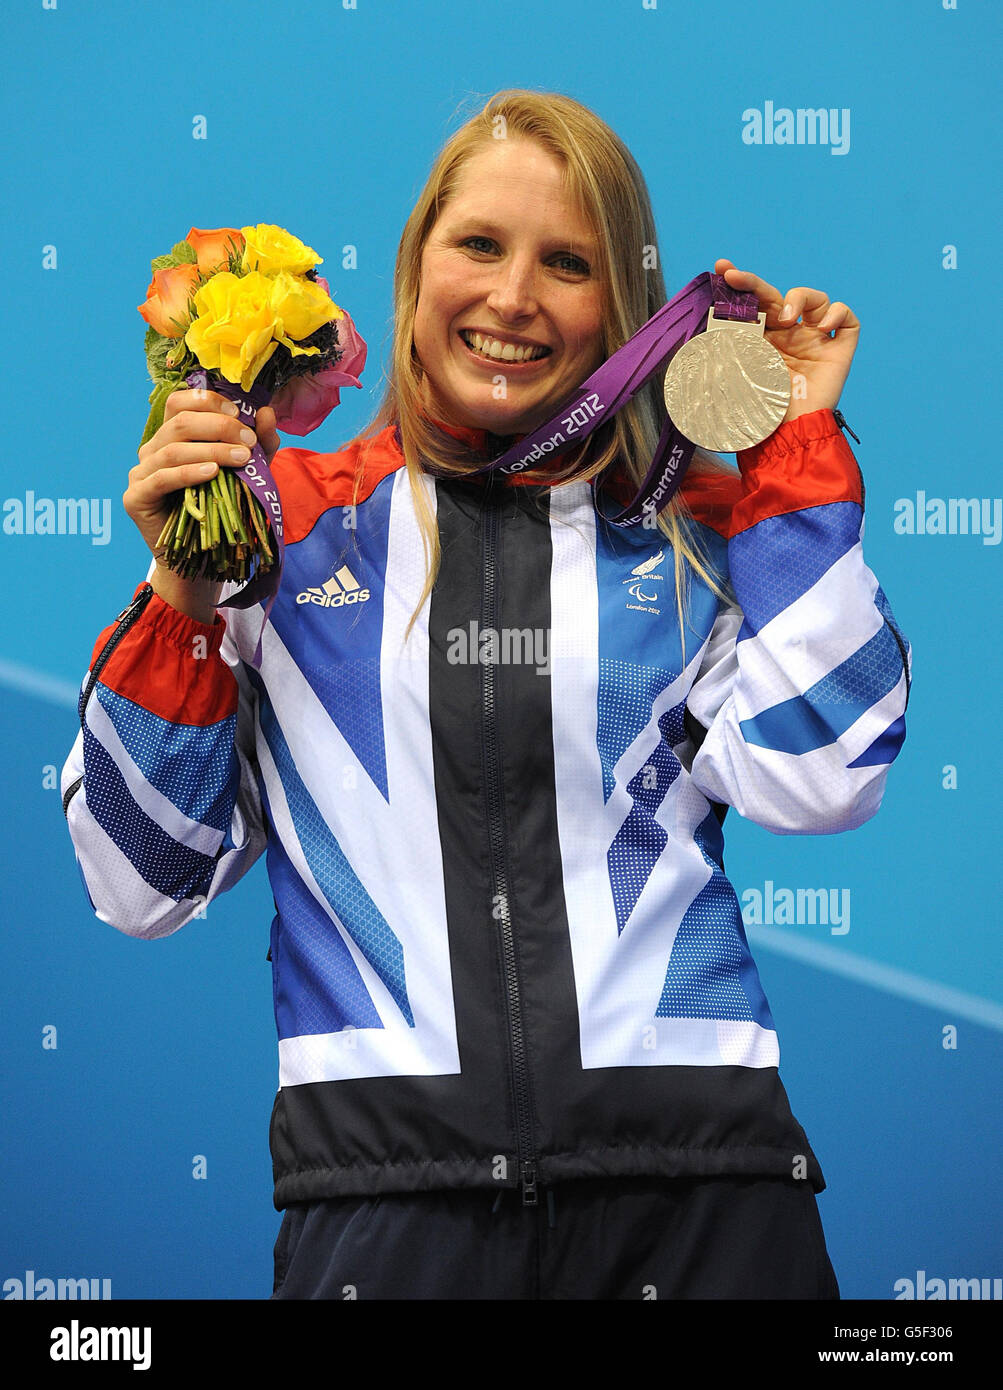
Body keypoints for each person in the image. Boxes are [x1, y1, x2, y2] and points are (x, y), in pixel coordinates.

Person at [60, 89, 910, 1300]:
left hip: (702, 1202)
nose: (514, 298)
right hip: (384, 1210)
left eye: (566, 262)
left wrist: (792, 448)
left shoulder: (695, 534)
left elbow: (820, 777)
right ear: (414, 272)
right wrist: (181, 593)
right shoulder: (286, 530)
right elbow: (137, 879)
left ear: (621, 308)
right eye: (480, 246)